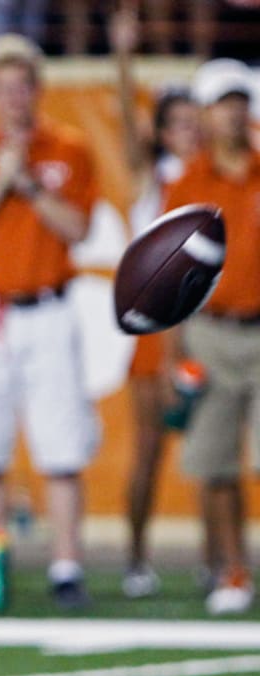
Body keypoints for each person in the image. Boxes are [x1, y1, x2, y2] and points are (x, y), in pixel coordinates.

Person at [0, 33, 98, 610]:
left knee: (62, 446)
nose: (13, 98)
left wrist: (27, 182)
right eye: (2, 87)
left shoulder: (69, 149)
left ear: (37, 89)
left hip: (48, 308)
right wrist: (2, 179)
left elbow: (79, 230)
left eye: (22, 85)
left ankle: (66, 566)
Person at [109, 6, 202, 600]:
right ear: (163, 132)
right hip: (159, 326)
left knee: (216, 456)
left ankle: (221, 560)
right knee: (149, 451)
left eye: (197, 121)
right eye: (180, 123)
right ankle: (137, 555)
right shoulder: (159, 174)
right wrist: (123, 57)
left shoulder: (226, 173)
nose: (191, 131)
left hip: (211, 324)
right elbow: (125, 126)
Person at [162, 58, 259, 616]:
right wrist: (176, 354)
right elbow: (169, 276)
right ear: (204, 111)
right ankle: (233, 569)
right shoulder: (189, 183)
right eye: (223, 102)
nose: (233, 112)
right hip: (210, 330)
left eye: (240, 100)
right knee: (218, 465)